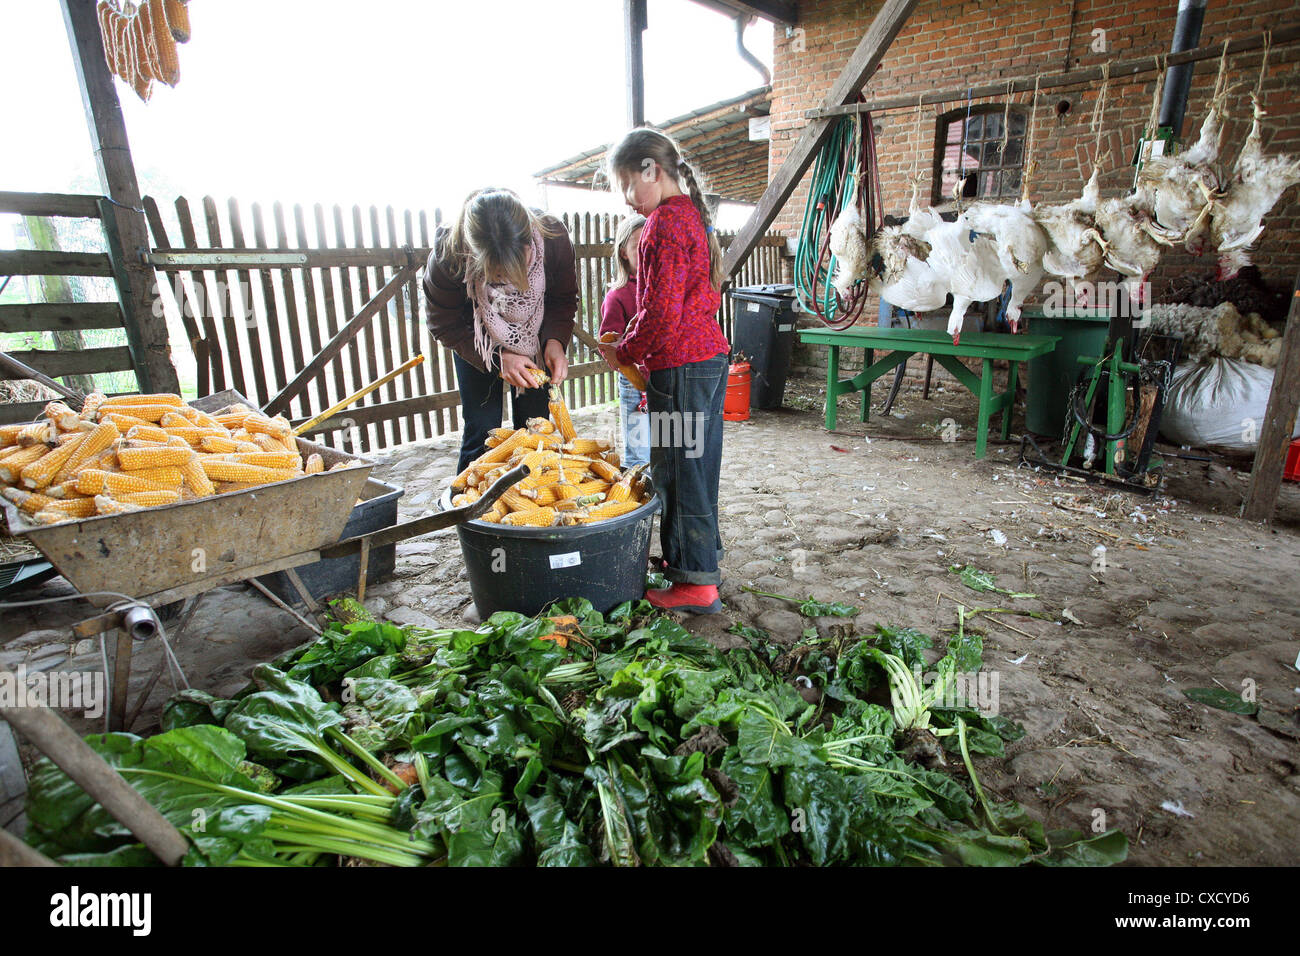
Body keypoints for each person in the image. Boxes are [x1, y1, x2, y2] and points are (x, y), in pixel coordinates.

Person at [598, 129, 729, 615]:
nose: (628, 200)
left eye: (627, 185)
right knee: (697, 468)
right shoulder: (689, 217)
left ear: (650, 171)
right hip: (704, 362)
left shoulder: (663, 225)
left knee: (678, 471)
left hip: (681, 367)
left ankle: (695, 585)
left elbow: (660, 314)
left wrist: (626, 351)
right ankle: (699, 563)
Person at [423, 188, 578, 472]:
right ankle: (470, 509)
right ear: (474, 253)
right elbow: (442, 321)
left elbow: (563, 299)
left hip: (536, 343)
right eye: (498, 271)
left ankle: (528, 505)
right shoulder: (449, 253)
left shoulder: (553, 237)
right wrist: (496, 358)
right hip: (476, 342)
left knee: (535, 430)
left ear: (530, 241)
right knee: (482, 430)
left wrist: (555, 341)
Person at [599, 214, 649, 470]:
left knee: (668, 441)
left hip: (663, 378)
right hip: (634, 385)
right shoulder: (617, 296)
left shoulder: (664, 289)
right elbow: (609, 344)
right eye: (637, 246)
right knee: (638, 450)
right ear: (623, 253)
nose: (645, 251)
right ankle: (641, 501)